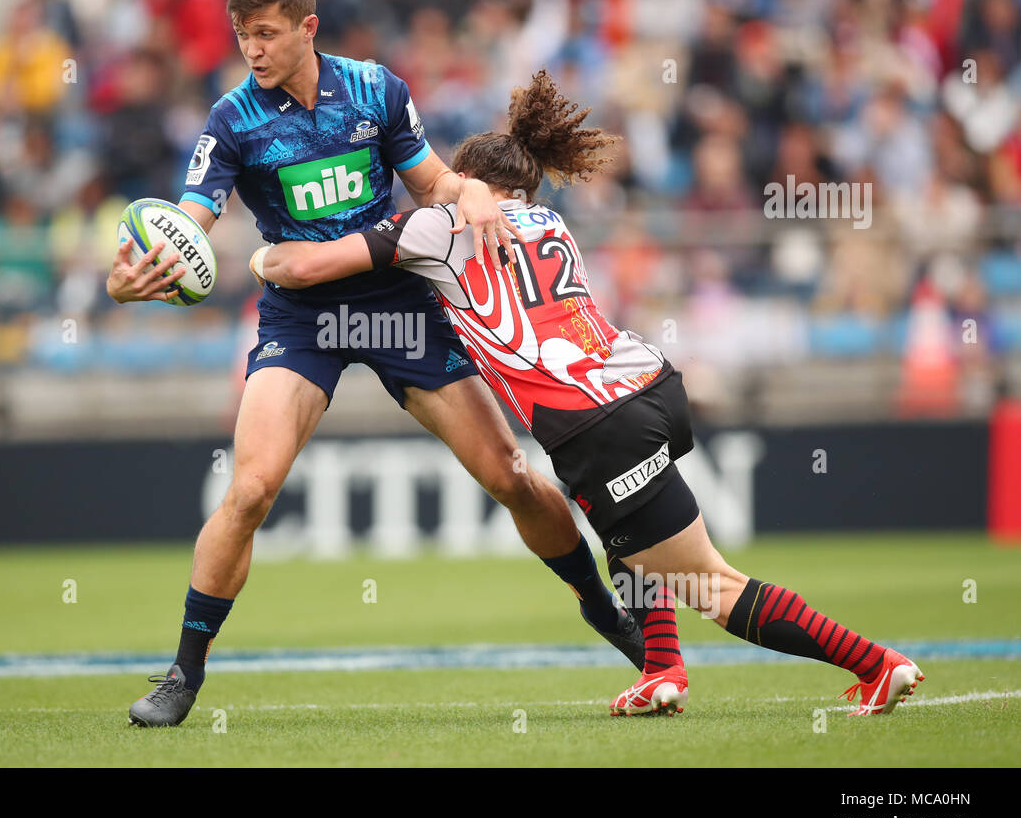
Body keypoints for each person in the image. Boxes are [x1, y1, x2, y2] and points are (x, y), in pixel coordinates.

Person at [250, 70, 924, 717]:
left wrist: (256, 258)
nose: (438, 187)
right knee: (627, 538)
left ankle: (873, 663)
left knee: (710, 584)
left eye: (452, 179)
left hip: (594, 424)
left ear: (472, 184)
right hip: (651, 386)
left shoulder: (438, 227)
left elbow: (306, 265)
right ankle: (662, 669)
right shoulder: (552, 223)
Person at [106, 0, 641, 727]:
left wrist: (477, 189)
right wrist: (136, 276)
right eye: (241, 36)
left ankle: (602, 609)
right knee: (250, 490)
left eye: (266, 34)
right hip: (301, 315)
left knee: (511, 475)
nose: (251, 50)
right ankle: (183, 675)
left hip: (397, 299)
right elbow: (192, 218)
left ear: (307, 27)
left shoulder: (376, 91)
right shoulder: (230, 119)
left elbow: (430, 185)